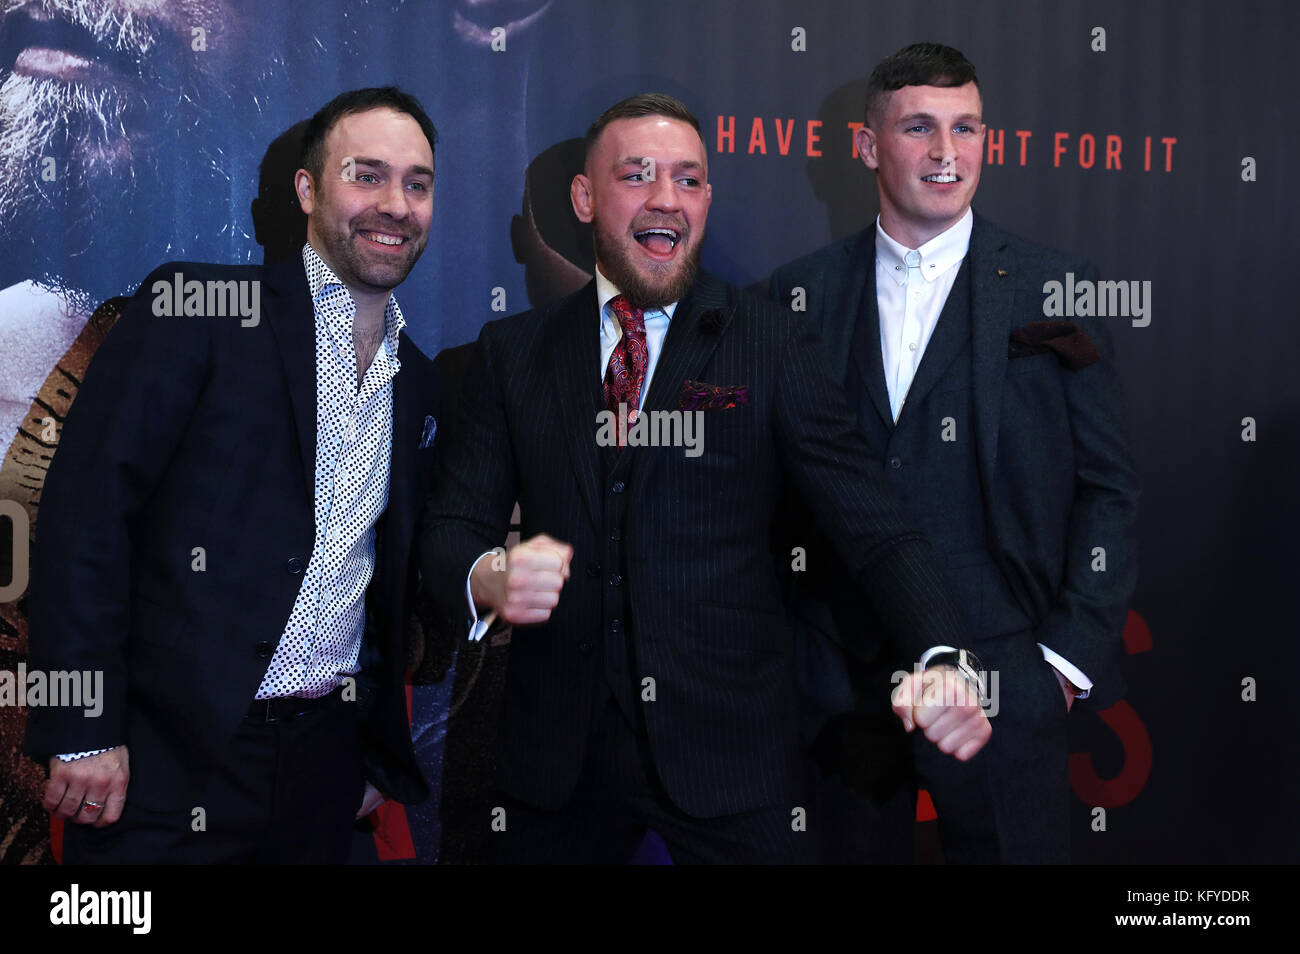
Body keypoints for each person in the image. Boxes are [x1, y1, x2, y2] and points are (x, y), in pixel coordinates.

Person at [420, 92, 991, 864]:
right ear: (585, 198)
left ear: (708, 200)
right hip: (554, 755)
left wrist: (944, 655)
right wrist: (488, 575)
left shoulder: (771, 343)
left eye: (689, 180)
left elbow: (874, 525)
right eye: (638, 175)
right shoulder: (511, 352)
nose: (666, 198)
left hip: (729, 753)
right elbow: (454, 525)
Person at [23, 86, 443, 863]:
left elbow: (384, 584)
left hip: (325, 769)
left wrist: (375, 753)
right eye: (367, 175)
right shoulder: (198, 309)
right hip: (161, 762)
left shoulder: (417, 380)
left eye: (416, 184)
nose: (395, 204)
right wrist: (82, 727)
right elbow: (84, 523)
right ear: (308, 188)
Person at [770, 43, 1140, 863]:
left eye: (965, 128)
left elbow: (1108, 489)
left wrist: (1064, 665)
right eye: (920, 129)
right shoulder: (793, 297)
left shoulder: (1057, 289)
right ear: (866, 148)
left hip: (1010, 675)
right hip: (839, 681)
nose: (947, 153)